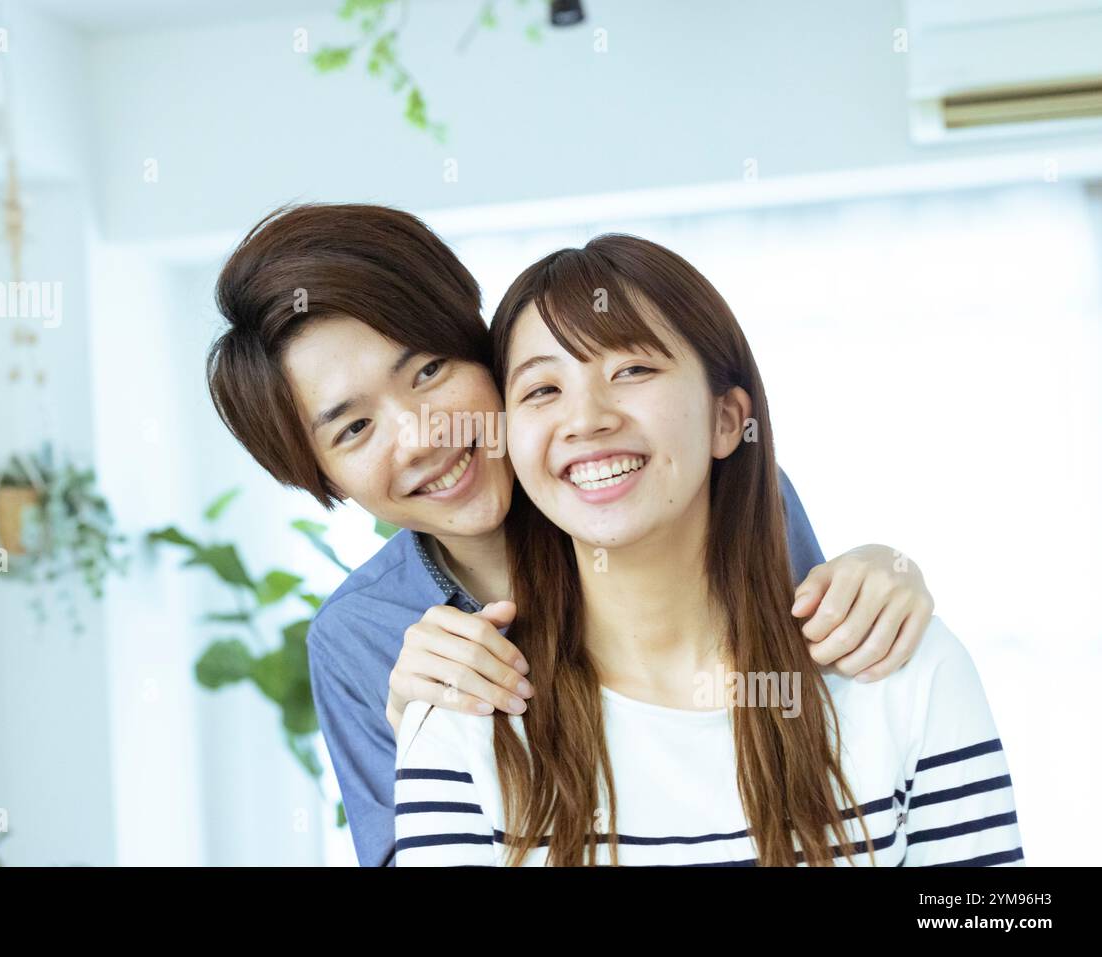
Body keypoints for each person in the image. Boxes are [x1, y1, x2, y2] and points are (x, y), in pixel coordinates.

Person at [208, 203, 936, 867]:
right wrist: (426, 744)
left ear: (486, 350)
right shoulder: (361, 635)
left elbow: (833, 728)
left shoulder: (681, 497)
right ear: (322, 476)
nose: (426, 436)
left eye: (430, 370)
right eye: (355, 427)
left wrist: (884, 574)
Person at [394, 234, 1023, 866]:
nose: (586, 419)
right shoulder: (462, 721)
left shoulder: (904, 671)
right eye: (542, 390)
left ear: (727, 419)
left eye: (632, 370)